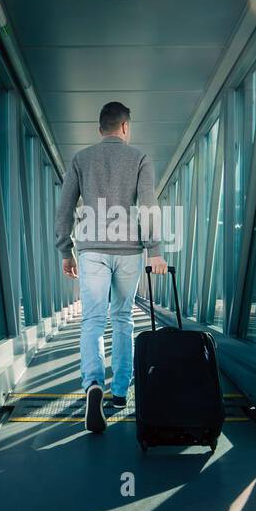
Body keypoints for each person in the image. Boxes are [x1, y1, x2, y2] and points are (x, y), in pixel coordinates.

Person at [54, 101, 168, 432]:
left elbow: (64, 207)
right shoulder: (139, 158)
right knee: (122, 319)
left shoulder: (81, 159)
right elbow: (147, 203)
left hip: (91, 250)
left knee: (92, 319)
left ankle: (93, 384)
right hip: (130, 250)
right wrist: (155, 249)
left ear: (99, 128)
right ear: (125, 128)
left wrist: (66, 250)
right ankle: (119, 393)